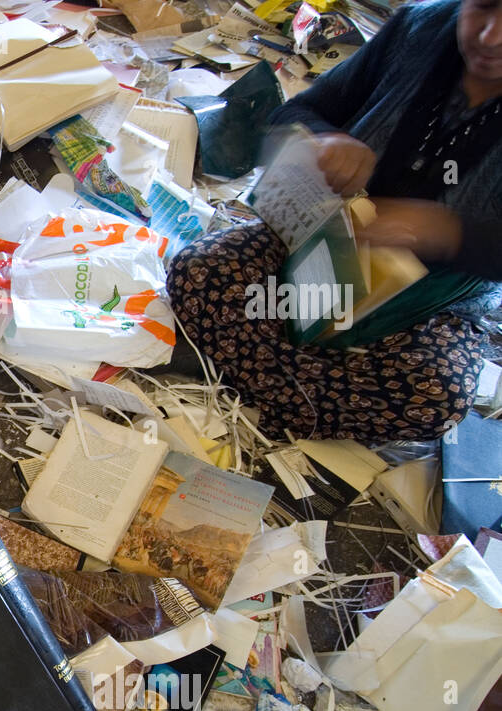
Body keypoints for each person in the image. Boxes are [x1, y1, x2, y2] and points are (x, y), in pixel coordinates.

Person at [166, 0, 502, 442]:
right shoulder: (420, 27)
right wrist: (326, 139)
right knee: (199, 270)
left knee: (435, 395)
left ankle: (246, 366)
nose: (489, 36)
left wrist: (444, 230)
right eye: (483, 7)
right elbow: (295, 112)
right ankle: (303, 386)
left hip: (432, 295)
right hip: (324, 240)